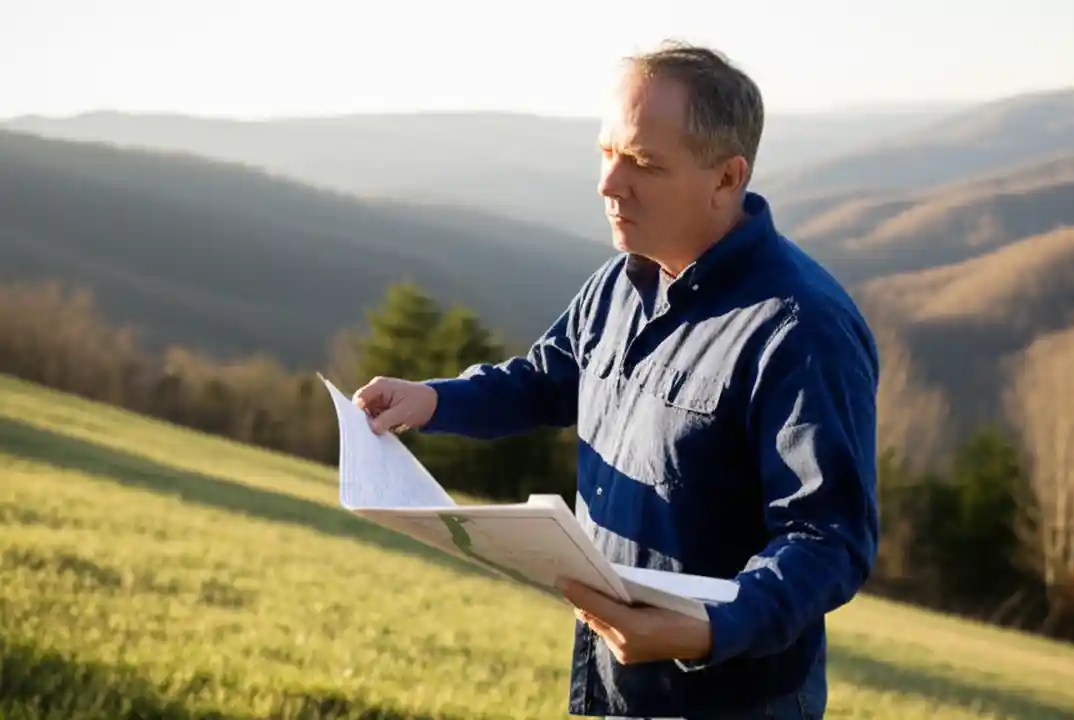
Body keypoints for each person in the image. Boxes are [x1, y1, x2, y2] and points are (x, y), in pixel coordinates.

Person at [353, 41, 879, 720]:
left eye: (643, 164)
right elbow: (549, 379)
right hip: (608, 678)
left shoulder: (802, 331)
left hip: (732, 699)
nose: (608, 186)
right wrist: (432, 401)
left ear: (727, 177)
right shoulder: (621, 280)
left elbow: (828, 539)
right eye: (607, 152)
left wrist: (709, 629)